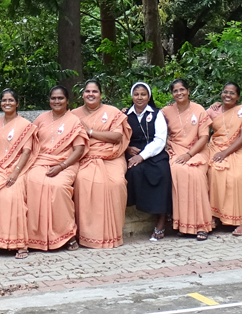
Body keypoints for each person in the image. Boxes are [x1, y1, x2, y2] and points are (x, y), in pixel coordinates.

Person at [26, 86, 88, 251]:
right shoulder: (41, 119)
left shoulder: (73, 120)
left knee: (58, 187)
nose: (56, 101)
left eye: (60, 98)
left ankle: (67, 236)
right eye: (53, 98)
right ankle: (36, 237)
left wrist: (61, 166)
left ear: (67, 101)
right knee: (31, 181)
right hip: (40, 161)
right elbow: (29, 142)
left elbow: (79, 149)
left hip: (66, 162)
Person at [0, 90, 37, 258]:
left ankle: (19, 243)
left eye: (11, 100)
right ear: (0, 103)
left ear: (17, 103)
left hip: (17, 168)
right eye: (4, 100)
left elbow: (27, 152)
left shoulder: (25, 125)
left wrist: (15, 173)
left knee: (14, 194)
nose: (7, 103)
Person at [74, 80, 130, 249]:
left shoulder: (112, 112)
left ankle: (113, 233)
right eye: (87, 91)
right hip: (86, 157)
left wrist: (90, 132)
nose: (91, 94)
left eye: (95, 91)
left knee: (117, 183)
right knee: (83, 180)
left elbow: (117, 137)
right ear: (83, 94)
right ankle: (89, 235)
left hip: (112, 156)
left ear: (101, 94)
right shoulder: (74, 115)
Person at [161, 78, 214, 240]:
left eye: (182, 89)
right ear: (172, 94)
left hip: (197, 151)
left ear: (188, 91)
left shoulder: (199, 110)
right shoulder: (166, 111)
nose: (179, 93)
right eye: (175, 91)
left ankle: (202, 226)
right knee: (178, 171)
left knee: (197, 176)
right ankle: (184, 225)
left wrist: (189, 155)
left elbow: (204, 137)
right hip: (176, 150)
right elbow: (153, 125)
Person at [206, 83, 242, 236]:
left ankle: (240, 221)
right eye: (225, 92)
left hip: (241, 149)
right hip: (217, 147)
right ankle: (214, 216)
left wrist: (226, 153)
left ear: (238, 97)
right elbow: (194, 124)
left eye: (232, 93)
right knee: (213, 171)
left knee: (238, 176)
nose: (228, 95)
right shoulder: (212, 111)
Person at [124, 82, 172, 240]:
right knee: (134, 172)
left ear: (149, 96)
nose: (139, 97)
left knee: (163, 173)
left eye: (143, 94)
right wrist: (127, 148)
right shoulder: (125, 115)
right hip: (133, 152)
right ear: (131, 96)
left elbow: (160, 140)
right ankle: (141, 209)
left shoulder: (157, 114)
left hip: (154, 152)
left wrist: (142, 156)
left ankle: (161, 220)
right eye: (136, 94)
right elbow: (120, 137)